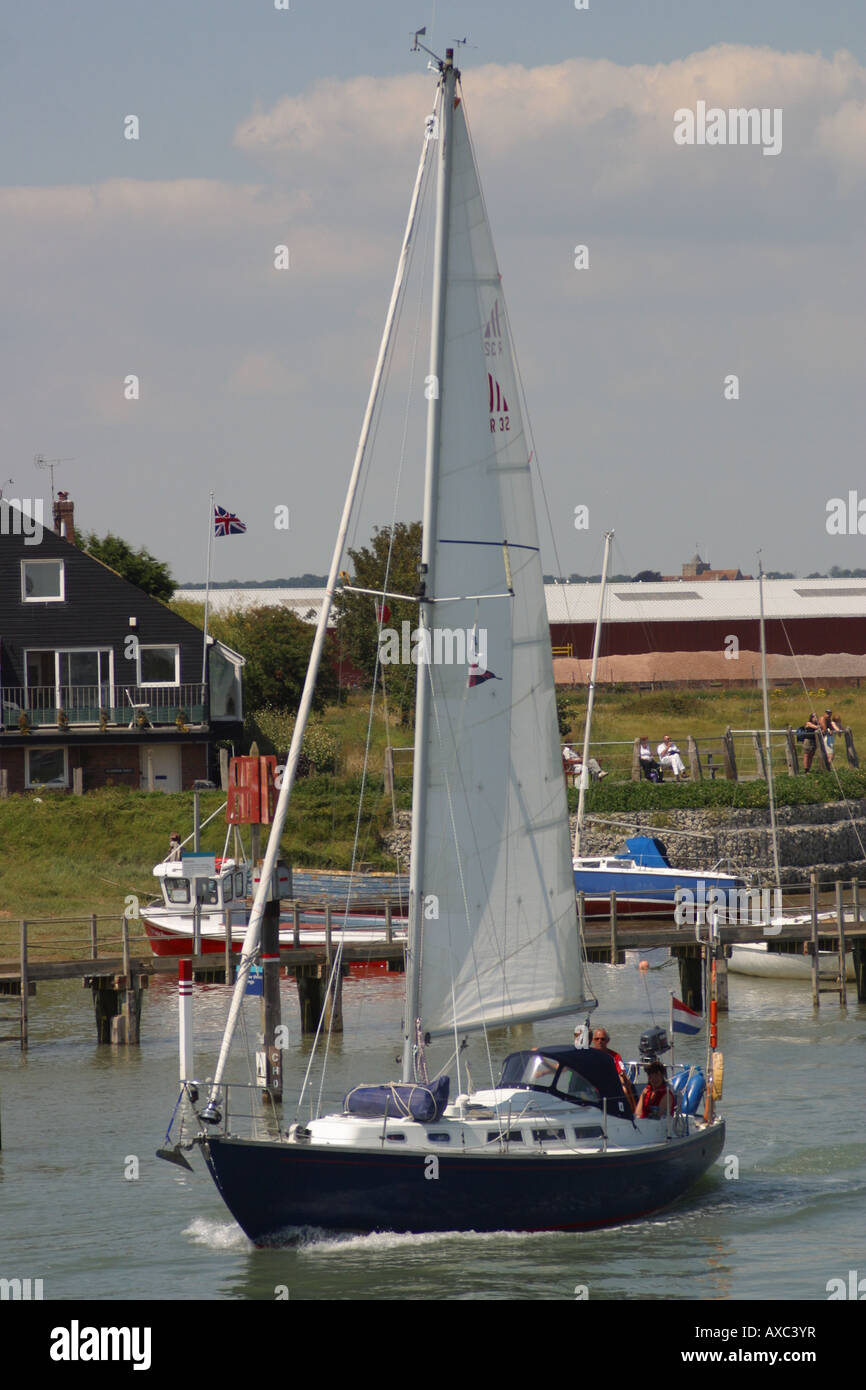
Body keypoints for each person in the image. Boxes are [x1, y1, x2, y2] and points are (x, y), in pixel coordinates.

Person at [591, 1026, 636, 1110]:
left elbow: (621, 1073)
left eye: (602, 1039)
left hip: (609, 1086)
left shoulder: (615, 1056)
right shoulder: (588, 1054)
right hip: (591, 1086)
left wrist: (624, 1083)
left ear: (607, 1041)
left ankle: (629, 1113)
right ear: (593, 1040)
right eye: (597, 1039)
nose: (599, 1041)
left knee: (625, 1090)